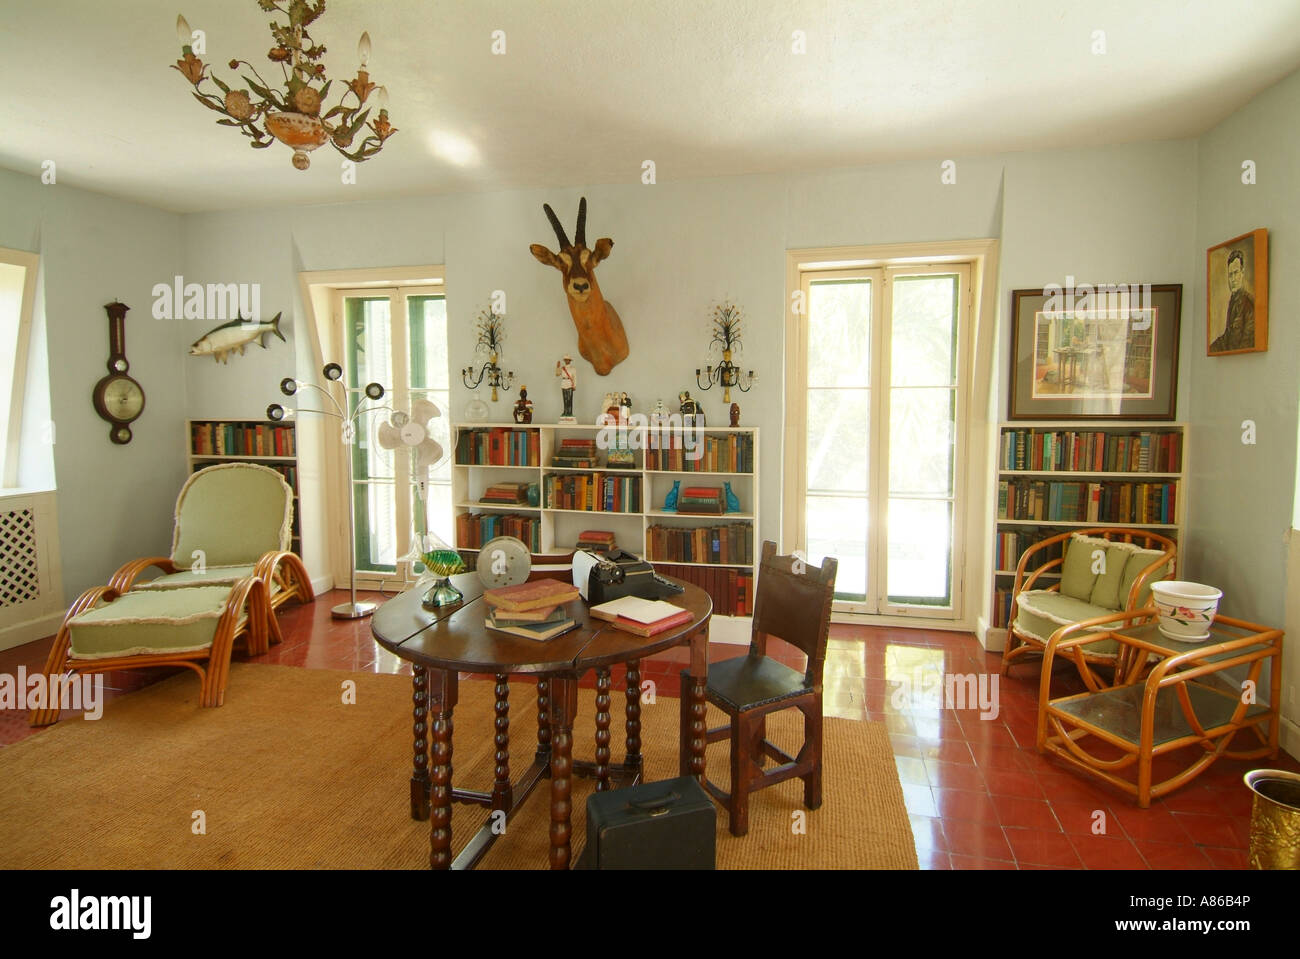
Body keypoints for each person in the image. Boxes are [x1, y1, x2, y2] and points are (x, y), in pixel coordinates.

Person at [1210, 249, 1255, 353]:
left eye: (1236, 273)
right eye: (1230, 275)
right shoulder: (1233, 301)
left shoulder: (1248, 303)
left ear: (1242, 273)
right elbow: (1227, 337)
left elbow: (1246, 345)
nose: (1233, 279)